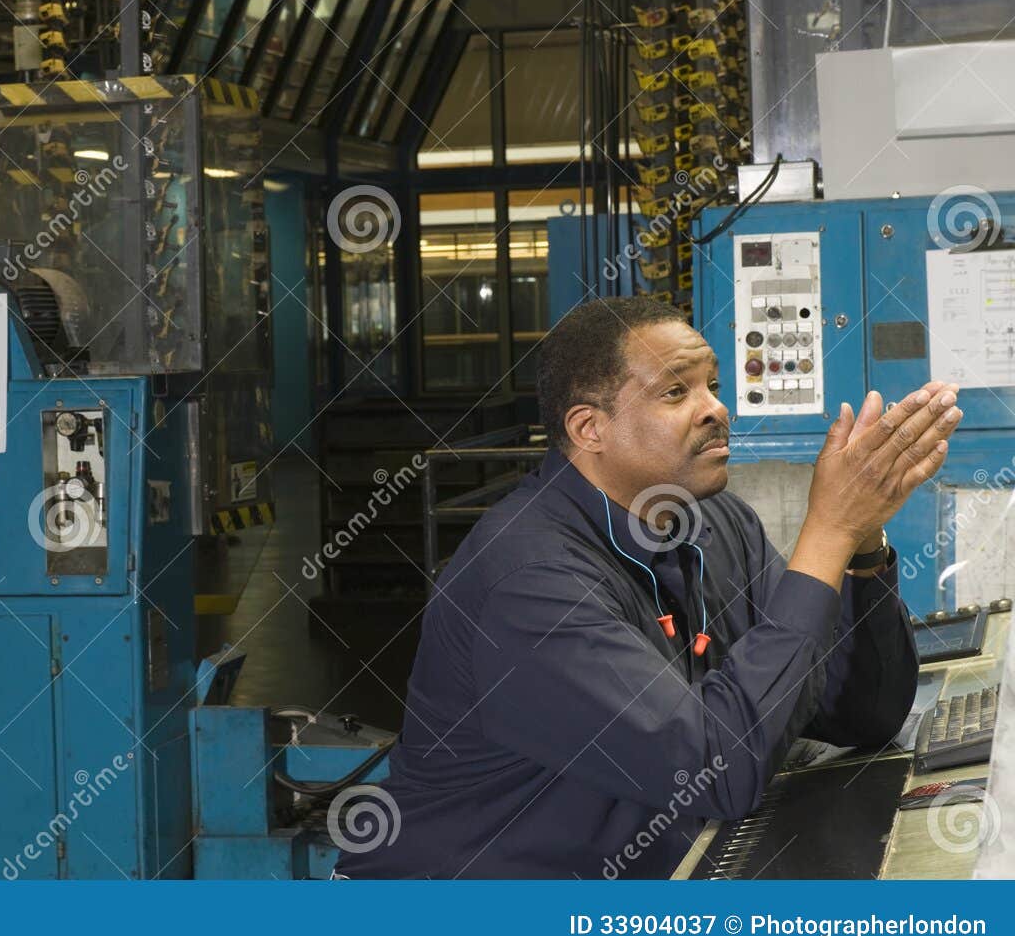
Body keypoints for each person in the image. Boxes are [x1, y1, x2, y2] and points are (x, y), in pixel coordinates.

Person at [333, 296, 955, 879]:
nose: (716, 408)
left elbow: (861, 715)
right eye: (676, 391)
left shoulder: (718, 524)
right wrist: (828, 531)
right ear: (589, 429)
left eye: (713, 384)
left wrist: (862, 542)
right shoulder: (530, 581)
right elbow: (718, 769)